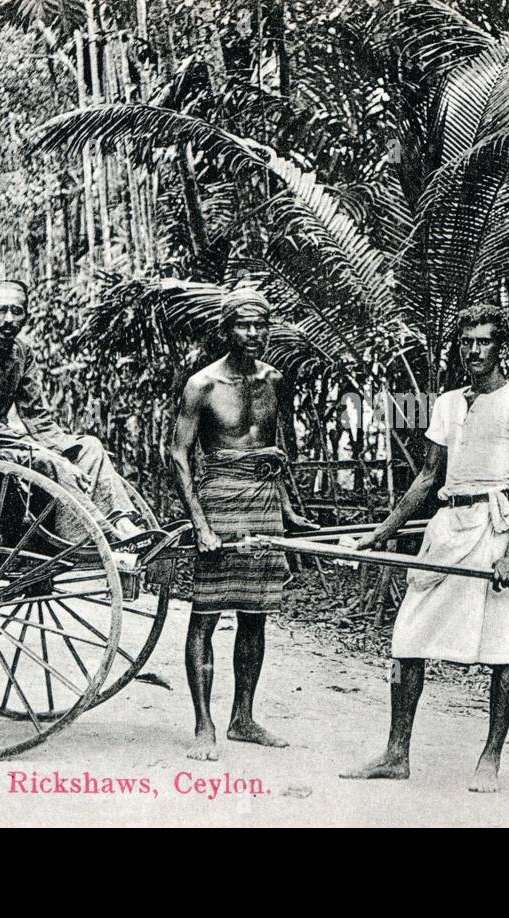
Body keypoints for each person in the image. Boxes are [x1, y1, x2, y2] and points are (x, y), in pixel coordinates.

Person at [341, 305, 509, 793]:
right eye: (466, 342)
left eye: (484, 341)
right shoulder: (449, 403)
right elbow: (428, 478)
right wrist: (382, 531)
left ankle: (490, 757)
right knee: (407, 638)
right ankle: (396, 754)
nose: (473, 350)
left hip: (494, 529)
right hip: (447, 527)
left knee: (501, 648)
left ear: (501, 347)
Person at [171, 287, 317, 762]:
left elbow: (278, 447)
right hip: (219, 498)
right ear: (226, 328)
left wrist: (287, 506)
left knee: (256, 614)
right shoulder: (203, 384)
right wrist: (200, 524)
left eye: (260, 324)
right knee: (206, 612)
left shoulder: (275, 379)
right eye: (243, 324)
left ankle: (243, 718)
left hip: (264, 501)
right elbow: (178, 453)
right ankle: (203, 724)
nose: (253, 333)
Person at [0, 279, 143, 541]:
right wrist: (53, 457)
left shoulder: (22, 353)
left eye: (17, 311)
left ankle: (122, 522)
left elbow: (36, 417)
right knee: (49, 462)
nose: (9, 319)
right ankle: (98, 537)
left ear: (26, 318)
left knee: (89, 447)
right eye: (0, 311)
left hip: (0, 443)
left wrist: (65, 448)